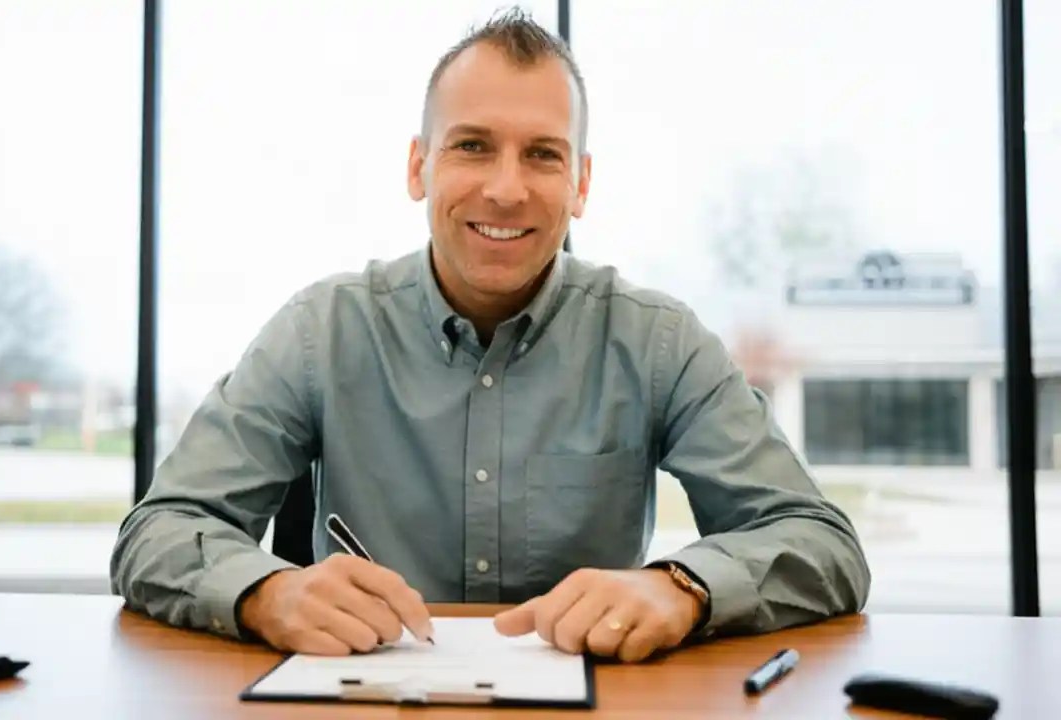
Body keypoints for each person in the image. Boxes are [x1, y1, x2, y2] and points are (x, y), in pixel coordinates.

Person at [110, 8, 870, 663]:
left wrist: (684, 587)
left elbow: (822, 545)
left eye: (543, 153)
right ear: (420, 166)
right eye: (473, 145)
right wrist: (265, 594)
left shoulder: (658, 343)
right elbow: (159, 531)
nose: (506, 188)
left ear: (581, 184)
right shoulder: (322, 331)